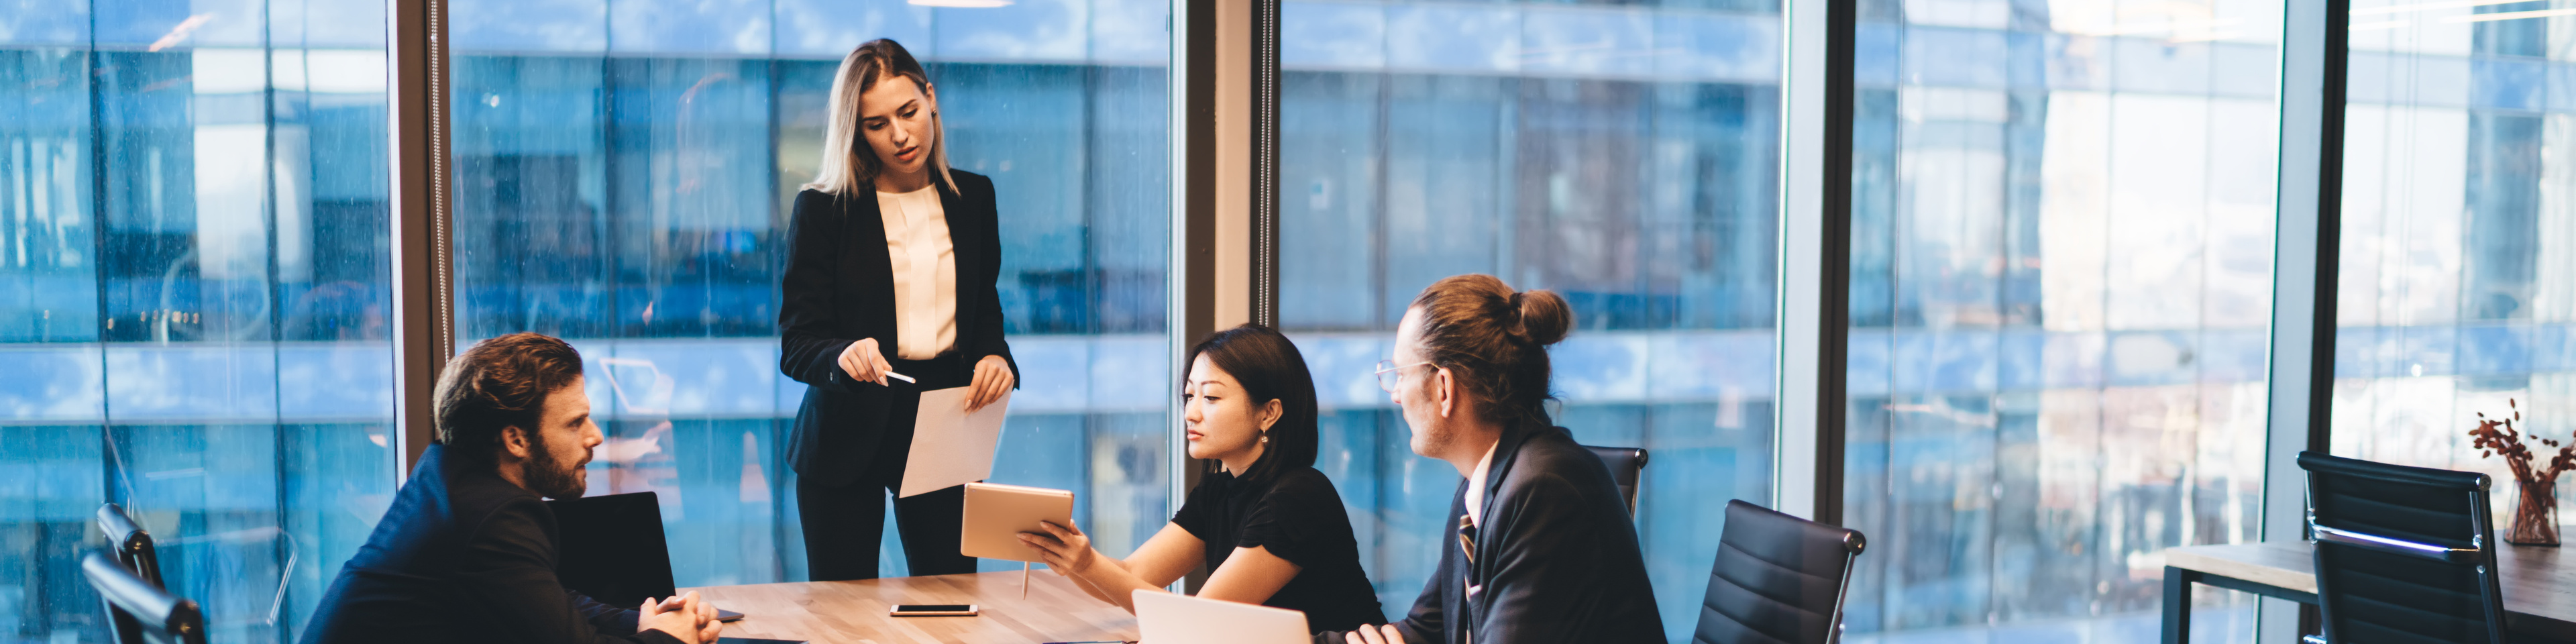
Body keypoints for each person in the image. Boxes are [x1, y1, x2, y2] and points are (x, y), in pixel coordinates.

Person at [301, 333, 722, 644]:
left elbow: (548, 600)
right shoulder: (492, 518)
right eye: (575, 423)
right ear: (516, 439)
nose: (595, 437)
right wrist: (672, 639)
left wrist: (640, 622)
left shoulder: (452, 485)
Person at [778, 38, 1018, 581]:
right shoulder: (823, 209)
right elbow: (798, 342)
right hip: (846, 425)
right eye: (876, 124)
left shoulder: (974, 198)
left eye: (908, 112)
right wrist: (843, 354)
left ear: (930, 97)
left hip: (943, 422)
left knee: (952, 601)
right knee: (843, 614)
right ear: (857, 131)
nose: (900, 135)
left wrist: (995, 358)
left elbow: (984, 312)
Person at [1324, 275, 1664, 644]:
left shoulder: (1546, 490)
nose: (1395, 396)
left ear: (1443, 389)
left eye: (1400, 375)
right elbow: (1426, 631)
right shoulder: (1480, 485)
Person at [1016, 324, 1387, 632]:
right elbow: (1135, 574)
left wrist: (1086, 564)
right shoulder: (1219, 488)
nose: (1191, 413)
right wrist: (1066, 553)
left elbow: (1198, 624)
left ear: (1269, 413)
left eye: (1210, 398)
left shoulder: (1298, 496)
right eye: (1189, 396)